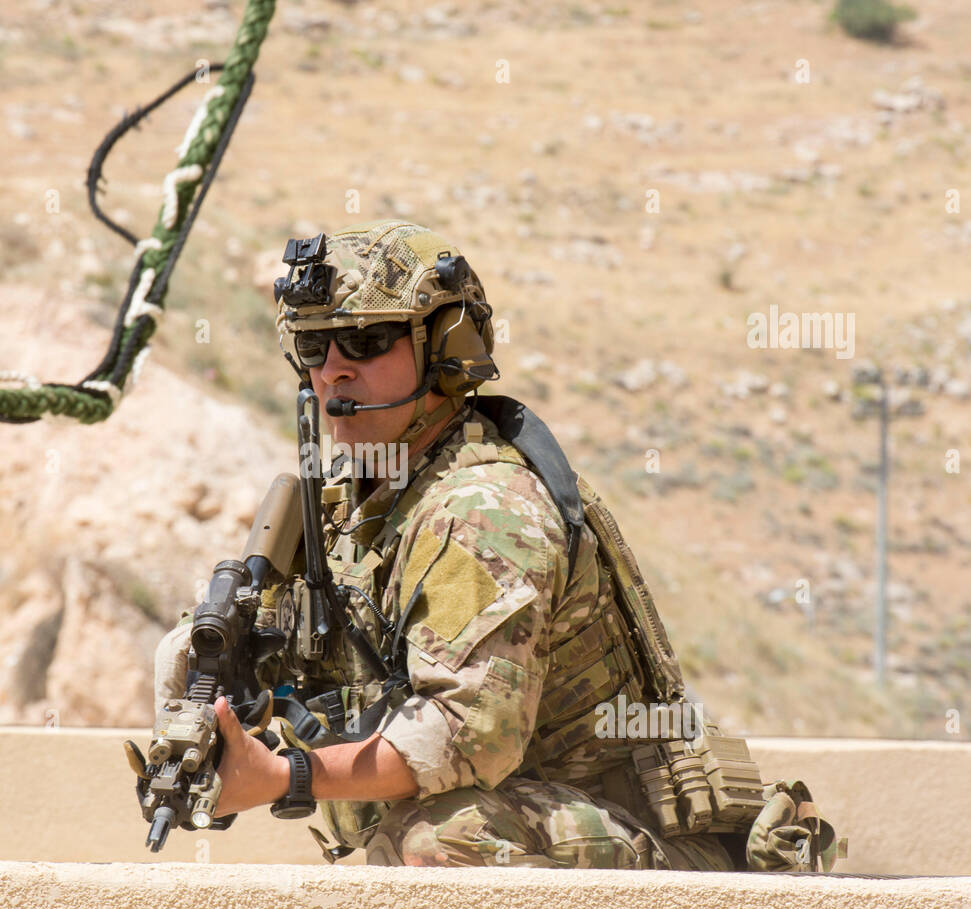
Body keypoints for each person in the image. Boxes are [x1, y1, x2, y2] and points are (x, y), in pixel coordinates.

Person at [153, 219, 838, 871]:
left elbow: (468, 736)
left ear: (444, 349)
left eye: (365, 341)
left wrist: (284, 776)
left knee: (438, 842)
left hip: (641, 839)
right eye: (312, 347)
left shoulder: (482, 510)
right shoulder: (359, 506)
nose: (332, 371)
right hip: (537, 813)